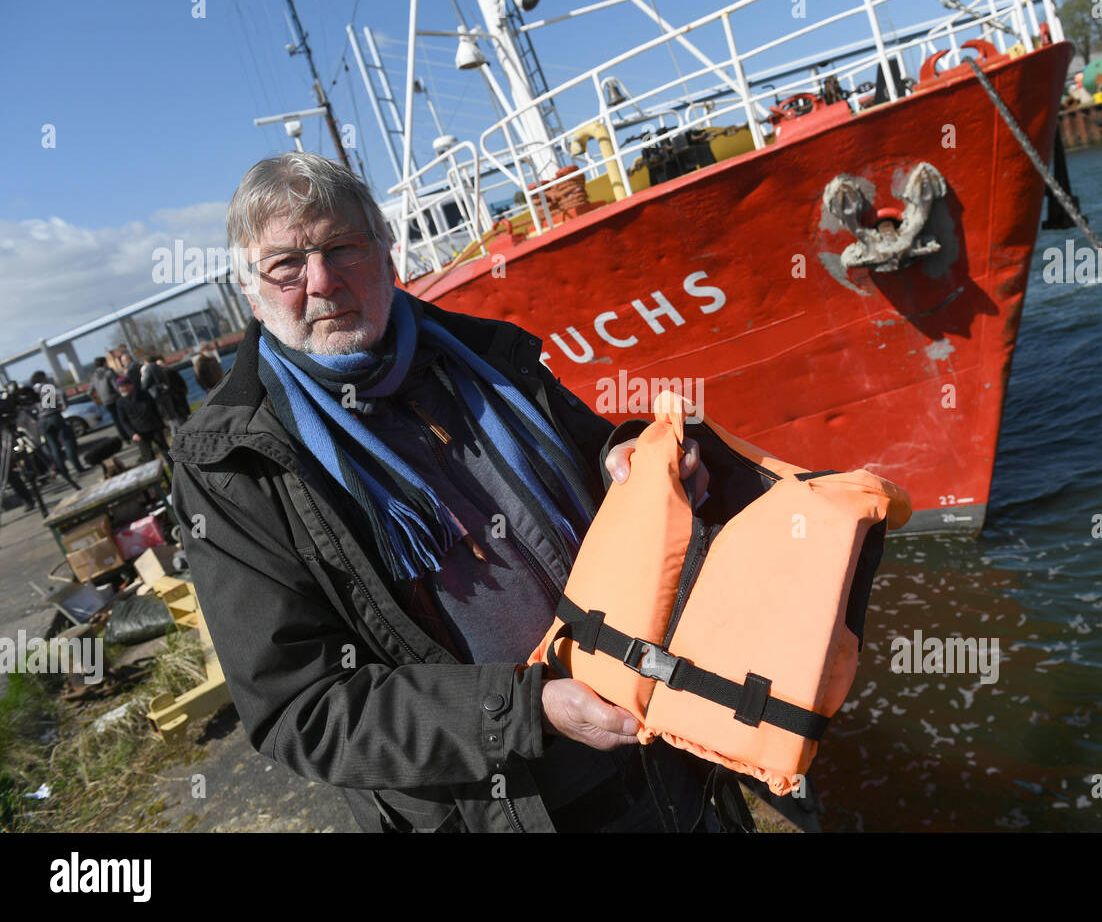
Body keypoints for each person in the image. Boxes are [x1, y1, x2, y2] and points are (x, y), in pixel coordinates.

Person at [170, 152, 749, 833]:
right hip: (510, 810)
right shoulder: (232, 466)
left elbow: (594, 456)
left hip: (666, 747)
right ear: (250, 288)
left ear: (386, 250)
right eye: (286, 265)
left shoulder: (485, 353)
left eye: (341, 248)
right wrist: (527, 710)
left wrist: (631, 458)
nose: (321, 282)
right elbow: (302, 708)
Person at [29, 370, 86, 481]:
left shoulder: (32, 391)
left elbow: (28, 408)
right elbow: (61, 393)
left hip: (42, 420)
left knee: (54, 447)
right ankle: (78, 467)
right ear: (42, 378)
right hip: (54, 416)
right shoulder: (46, 387)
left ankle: (64, 472)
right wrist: (64, 405)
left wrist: (34, 418)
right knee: (67, 441)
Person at [115, 375, 172, 468]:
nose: (122, 389)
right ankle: (157, 479)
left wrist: (162, 425)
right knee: (148, 457)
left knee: (166, 451)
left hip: (153, 427)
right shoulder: (120, 402)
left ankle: (176, 474)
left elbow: (155, 410)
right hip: (139, 433)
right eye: (120, 387)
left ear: (130, 385)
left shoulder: (144, 394)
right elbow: (123, 421)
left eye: (124, 386)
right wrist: (132, 433)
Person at [90, 356, 131, 442]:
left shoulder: (93, 376)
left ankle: (124, 438)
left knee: (116, 420)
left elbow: (90, 391)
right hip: (115, 398)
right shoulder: (108, 372)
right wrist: (125, 395)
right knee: (123, 418)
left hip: (105, 402)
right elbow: (116, 386)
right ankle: (130, 434)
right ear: (104, 363)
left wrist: (97, 398)